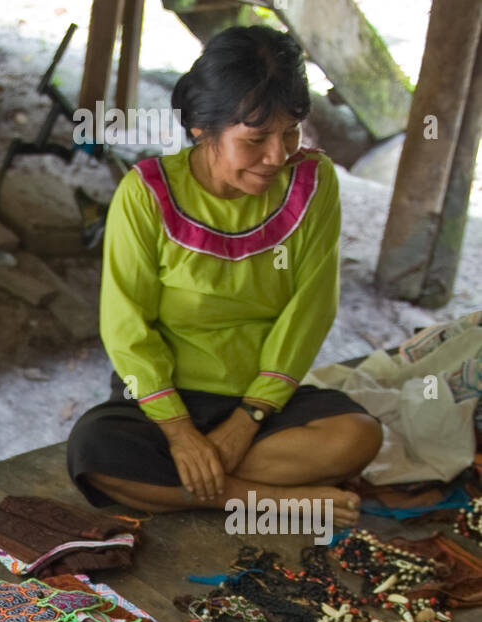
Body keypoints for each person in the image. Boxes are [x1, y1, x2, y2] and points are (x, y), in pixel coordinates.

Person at [66, 25, 383, 528]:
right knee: (94, 448)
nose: (277, 156)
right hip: (165, 396)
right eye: (256, 139)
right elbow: (125, 326)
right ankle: (267, 500)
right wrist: (179, 433)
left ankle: (187, 485)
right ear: (202, 128)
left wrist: (248, 417)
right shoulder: (146, 193)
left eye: (291, 133)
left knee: (358, 435)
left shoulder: (313, 184)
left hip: (265, 398)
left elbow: (311, 308)